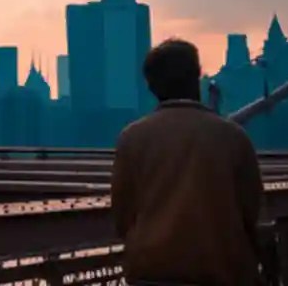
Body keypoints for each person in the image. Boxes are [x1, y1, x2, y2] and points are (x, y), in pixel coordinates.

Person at [112, 38, 263, 286]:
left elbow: (122, 215)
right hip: (222, 275)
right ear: (198, 76)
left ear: (151, 87)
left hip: (151, 275)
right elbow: (251, 210)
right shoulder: (233, 137)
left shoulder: (132, 138)